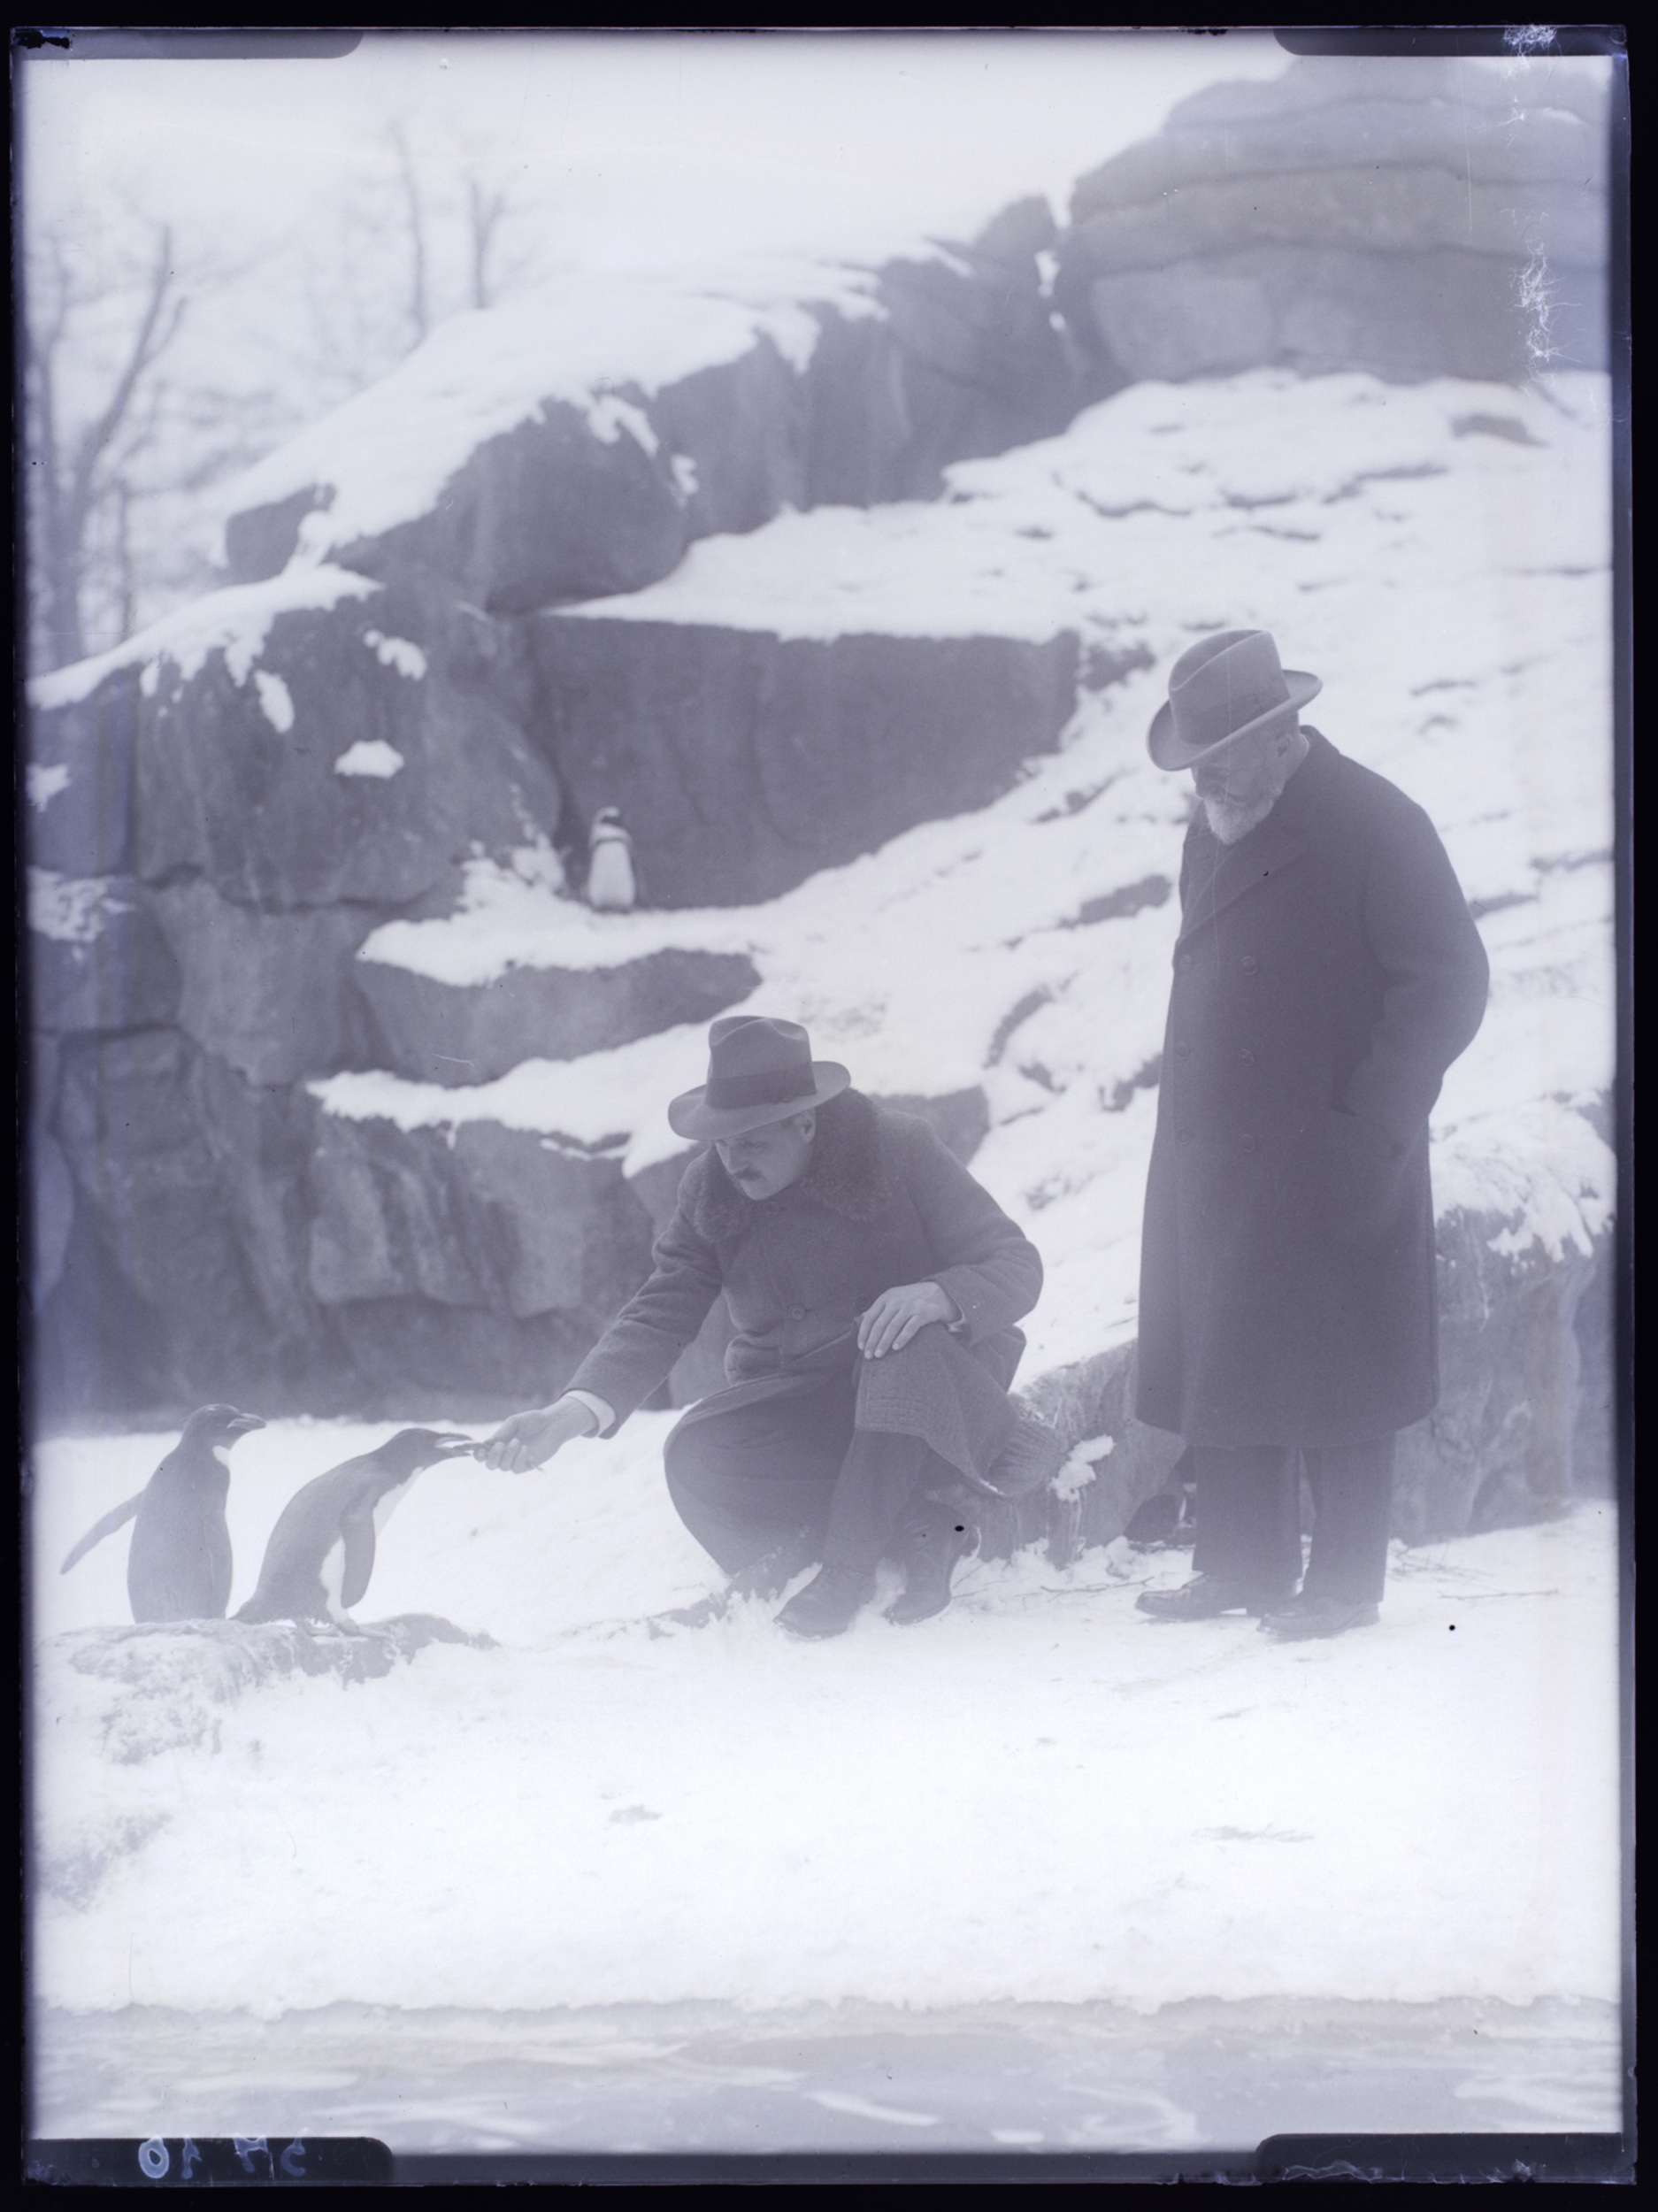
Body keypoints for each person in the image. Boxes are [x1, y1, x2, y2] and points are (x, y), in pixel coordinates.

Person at [1133, 628, 1490, 1640]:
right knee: (1227, 1346)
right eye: (1192, 758)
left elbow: (1448, 980)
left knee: (1340, 1358)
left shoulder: (1375, 821)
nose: (1201, 775)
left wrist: (1372, 1119)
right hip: (1215, 1147)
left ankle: (1341, 1584)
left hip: (1331, 1141)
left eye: (1218, 752)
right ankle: (1240, 1563)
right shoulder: (1216, 818)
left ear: (1280, 730)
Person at [480, 1016, 1056, 1638]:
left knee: (895, 1339)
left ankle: (847, 1566)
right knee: (697, 1457)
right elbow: (661, 1308)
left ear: (804, 1122)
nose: (734, 1162)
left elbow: (1016, 1263)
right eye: (722, 1143)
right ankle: (928, 1522)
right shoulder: (710, 1185)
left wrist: (940, 1294)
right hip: (808, 1396)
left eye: (751, 1142)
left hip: (931, 1380)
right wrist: (568, 1417)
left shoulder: (897, 1148)